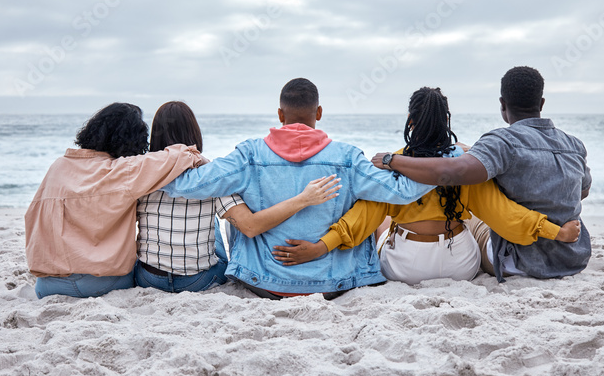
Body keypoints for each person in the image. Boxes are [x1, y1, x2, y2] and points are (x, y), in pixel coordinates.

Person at [273, 87, 580, 285]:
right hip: (460, 264)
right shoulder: (461, 166)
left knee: (381, 219)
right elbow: (504, 213)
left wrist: (320, 247)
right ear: (446, 119)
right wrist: (557, 232)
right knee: (475, 214)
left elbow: (361, 218)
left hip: (406, 266)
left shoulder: (395, 163)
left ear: (410, 120)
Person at [161, 78, 435, 299]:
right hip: (332, 284)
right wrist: (444, 164)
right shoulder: (348, 158)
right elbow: (403, 191)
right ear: (319, 113)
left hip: (263, 282)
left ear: (280, 114)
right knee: (368, 199)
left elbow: (190, 184)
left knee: (233, 200)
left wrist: (148, 167)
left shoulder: (249, 155)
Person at [371, 67, 592, 281]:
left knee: (392, 218)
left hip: (514, 260)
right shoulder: (574, 145)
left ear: (502, 104)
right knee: (476, 205)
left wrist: (393, 160)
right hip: (569, 258)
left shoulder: (500, 143)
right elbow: (581, 192)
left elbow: (453, 171)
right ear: (542, 103)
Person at [135, 101, 341, 293]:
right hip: (196, 281)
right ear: (193, 132)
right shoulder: (209, 176)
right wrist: (303, 199)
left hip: (147, 278)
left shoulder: (141, 173)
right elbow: (250, 226)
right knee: (220, 222)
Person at [25, 103, 204, 299]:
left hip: (47, 285)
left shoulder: (58, 167)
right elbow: (180, 155)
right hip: (97, 283)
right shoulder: (121, 171)